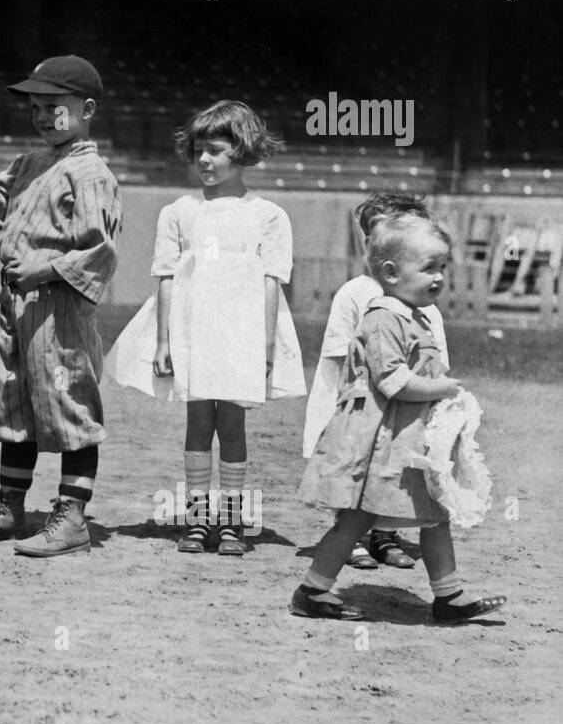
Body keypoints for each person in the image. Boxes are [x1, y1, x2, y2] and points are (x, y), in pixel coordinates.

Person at [0, 55, 121, 557]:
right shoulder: (32, 162)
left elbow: (100, 250)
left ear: (85, 109)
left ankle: (72, 516)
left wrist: (46, 269)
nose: (42, 116)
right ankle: (10, 506)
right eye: (36, 106)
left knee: (66, 400)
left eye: (54, 107)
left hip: (59, 308)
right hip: (15, 304)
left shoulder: (91, 173)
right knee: (13, 398)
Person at [105, 100, 305, 555]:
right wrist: (162, 341)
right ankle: (197, 521)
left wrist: (266, 341)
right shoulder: (179, 210)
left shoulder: (267, 215)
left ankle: (232, 524)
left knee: (232, 425)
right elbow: (166, 277)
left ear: (244, 151)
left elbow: (273, 283)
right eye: (198, 151)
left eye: (215, 150)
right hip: (193, 330)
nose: (204, 160)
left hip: (240, 332)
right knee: (198, 421)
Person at [294, 213, 506, 623]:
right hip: (378, 444)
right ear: (391, 272)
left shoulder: (414, 316)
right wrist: (444, 389)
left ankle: (449, 596)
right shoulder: (382, 319)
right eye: (429, 267)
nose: (440, 277)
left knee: (435, 514)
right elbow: (393, 382)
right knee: (356, 519)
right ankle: (312, 590)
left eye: (443, 267)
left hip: (408, 442)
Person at [303, 193, 448, 571]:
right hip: (364, 395)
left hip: (407, 400)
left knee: (395, 469)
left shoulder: (424, 299)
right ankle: (350, 537)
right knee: (357, 467)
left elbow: (436, 357)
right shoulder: (356, 293)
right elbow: (340, 354)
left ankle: (385, 535)